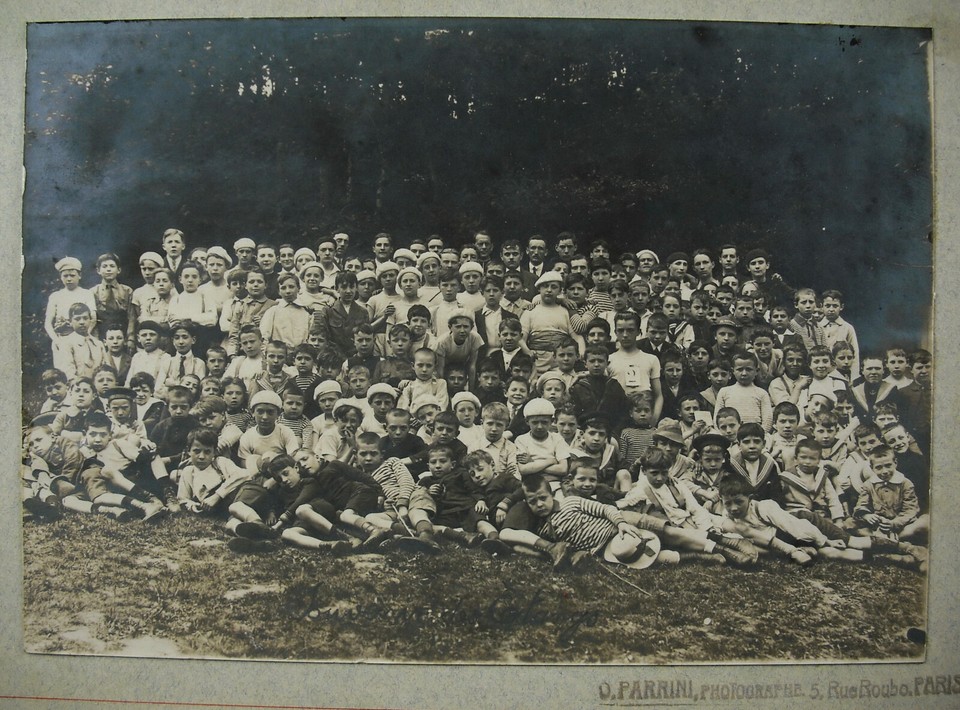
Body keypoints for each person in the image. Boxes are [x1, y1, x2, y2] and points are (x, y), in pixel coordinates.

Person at [176, 427, 251, 514]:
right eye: (197, 451)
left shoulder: (220, 463)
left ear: (214, 452)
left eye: (207, 452)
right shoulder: (188, 472)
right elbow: (182, 499)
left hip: (231, 503)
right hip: (212, 511)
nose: (201, 457)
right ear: (188, 451)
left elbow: (244, 474)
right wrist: (192, 506)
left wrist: (217, 495)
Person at [607, 311, 663, 419]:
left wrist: (653, 420)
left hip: (643, 416)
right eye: (621, 330)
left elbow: (658, 396)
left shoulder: (651, 359)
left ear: (639, 332)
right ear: (615, 332)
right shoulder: (609, 360)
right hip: (619, 417)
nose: (625, 335)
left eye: (630, 330)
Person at [236, 390, 299, 473]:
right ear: (253, 413)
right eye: (260, 412)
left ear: (278, 414)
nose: (265, 417)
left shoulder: (285, 432)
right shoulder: (247, 436)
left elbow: (293, 458)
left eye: (270, 412)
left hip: (282, 472)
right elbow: (244, 462)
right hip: (258, 473)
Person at [713, 350, 773, 432]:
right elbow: (717, 419)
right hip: (730, 433)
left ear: (756, 371)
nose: (744, 373)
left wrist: (759, 435)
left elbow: (768, 421)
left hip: (754, 436)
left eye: (748, 369)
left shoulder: (761, 393)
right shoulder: (724, 391)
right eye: (740, 369)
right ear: (733, 371)